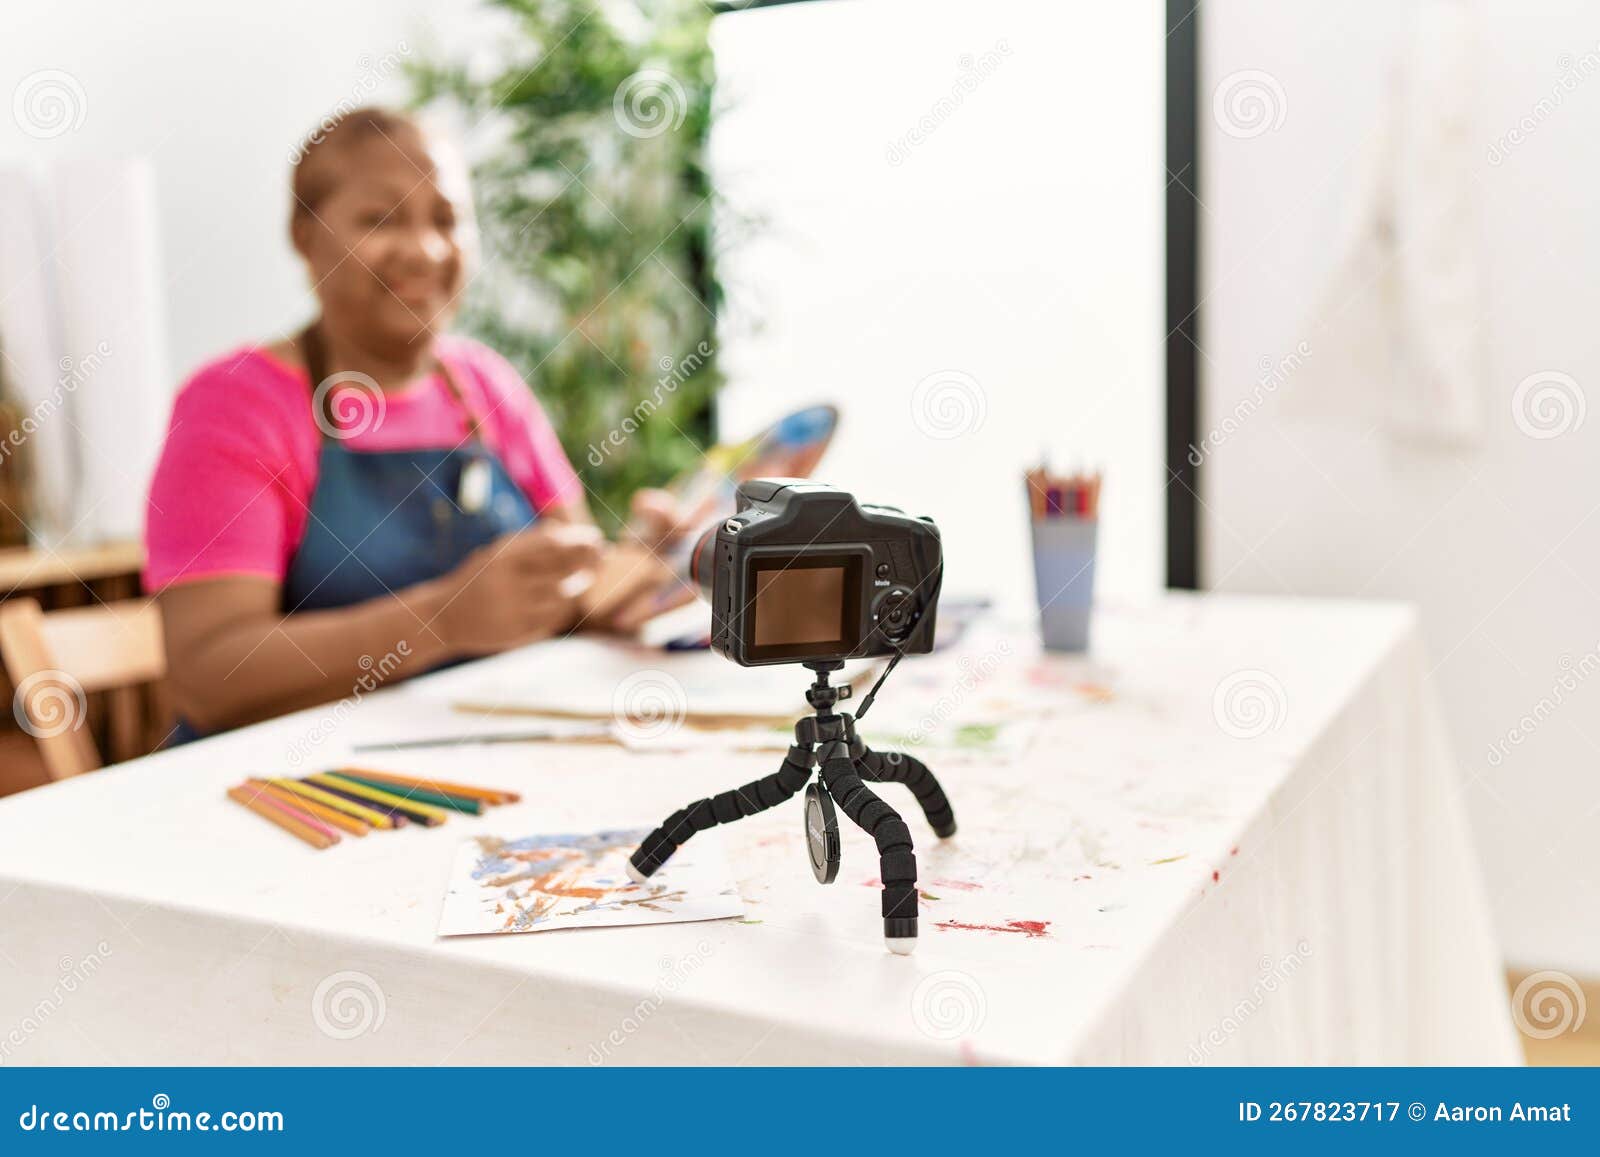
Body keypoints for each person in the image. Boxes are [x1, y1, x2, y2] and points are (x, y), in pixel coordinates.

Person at [144, 107, 680, 737]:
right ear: (305, 236)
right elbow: (210, 677)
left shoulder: (487, 385)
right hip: (292, 780)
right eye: (380, 219)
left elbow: (572, 590)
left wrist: (649, 565)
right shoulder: (237, 404)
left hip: (477, 755)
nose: (425, 250)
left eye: (446, 220)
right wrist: (442, 621)